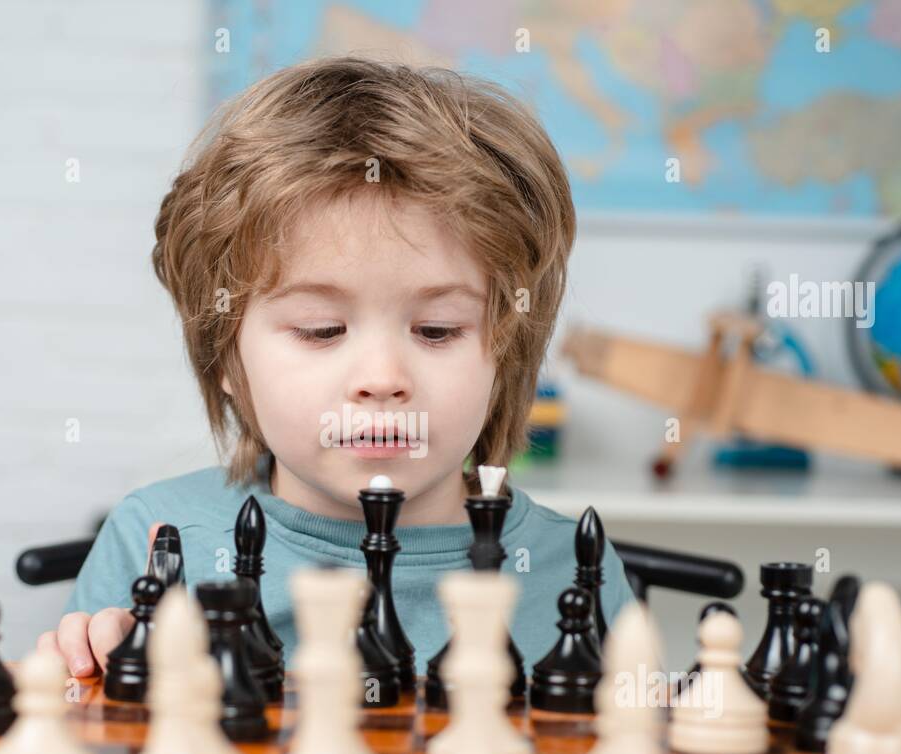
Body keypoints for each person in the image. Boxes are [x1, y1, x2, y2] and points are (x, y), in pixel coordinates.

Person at [38, 55, 634, 678]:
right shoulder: (151, 537)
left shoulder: (573, 565)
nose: (381, 378)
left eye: (437, 330)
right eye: (321, 330)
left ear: (506, 353)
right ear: (226, 357)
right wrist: (101, 675)